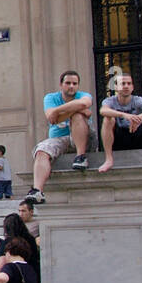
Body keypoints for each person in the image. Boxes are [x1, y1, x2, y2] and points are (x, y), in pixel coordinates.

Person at [23, 70, 95, 204]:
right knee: (41, 151)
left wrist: (58, 111)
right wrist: (76, 108)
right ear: (61, 85)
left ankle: (80, 157)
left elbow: (84, 104)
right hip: (59, 139)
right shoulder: (50, 98)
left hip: (84, 137)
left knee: (77, 116)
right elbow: (51, 118)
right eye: (68, 83)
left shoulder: (84, 95)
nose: (71, 86)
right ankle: (37, 191)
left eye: (75, 83)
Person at [97, 72, 142, 172]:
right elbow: (103, 111)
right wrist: (124, 115)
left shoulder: (137, 100)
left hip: (137, 134)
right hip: (118, 137)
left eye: (129, 83)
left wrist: (139, 117)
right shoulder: (110, 101)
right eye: (123, 84)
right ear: (116, 87)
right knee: (108, 119)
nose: (126, 86)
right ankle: (109, 160)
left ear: (132, 87)